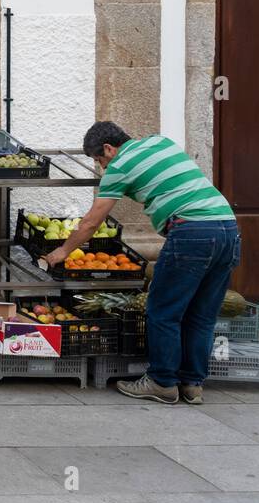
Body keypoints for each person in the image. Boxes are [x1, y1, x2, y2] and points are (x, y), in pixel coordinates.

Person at [44, 123, 240, 405]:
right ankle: (192, 385)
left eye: (99, 160)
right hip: (228, 229)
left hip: (190, 233)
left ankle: (162, 382)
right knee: (202, 315)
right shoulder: (161, 143)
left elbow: (91, 222)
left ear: (109, 149)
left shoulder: (119, 166)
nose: (101, 167)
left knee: (163, 311)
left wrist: (62, 251)